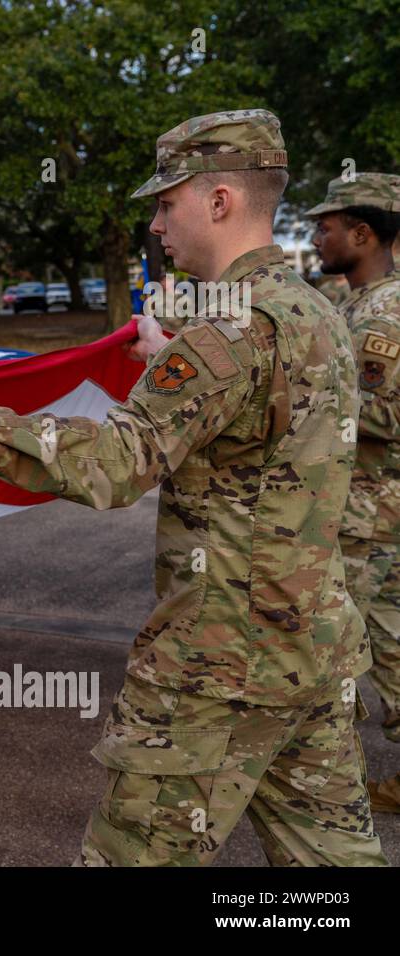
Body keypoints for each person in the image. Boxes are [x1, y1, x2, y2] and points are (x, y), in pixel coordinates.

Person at [0, 110, 388, 866]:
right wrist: (174, 353)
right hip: (314, 653)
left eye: (165, 202)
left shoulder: (228, 334)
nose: (155, 223)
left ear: (219, 201)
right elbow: (262, 419)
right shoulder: (318, 313)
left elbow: (114, 462)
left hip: (219, 669)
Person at [310, 171, 400, 813]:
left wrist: (309, 397)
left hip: (377, 515)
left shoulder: (383, 313)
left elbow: (388, 415)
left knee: (389, 647)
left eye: (327, 226)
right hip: (355, 508)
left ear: (363, 234)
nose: (316, 238)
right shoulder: (353, 304)